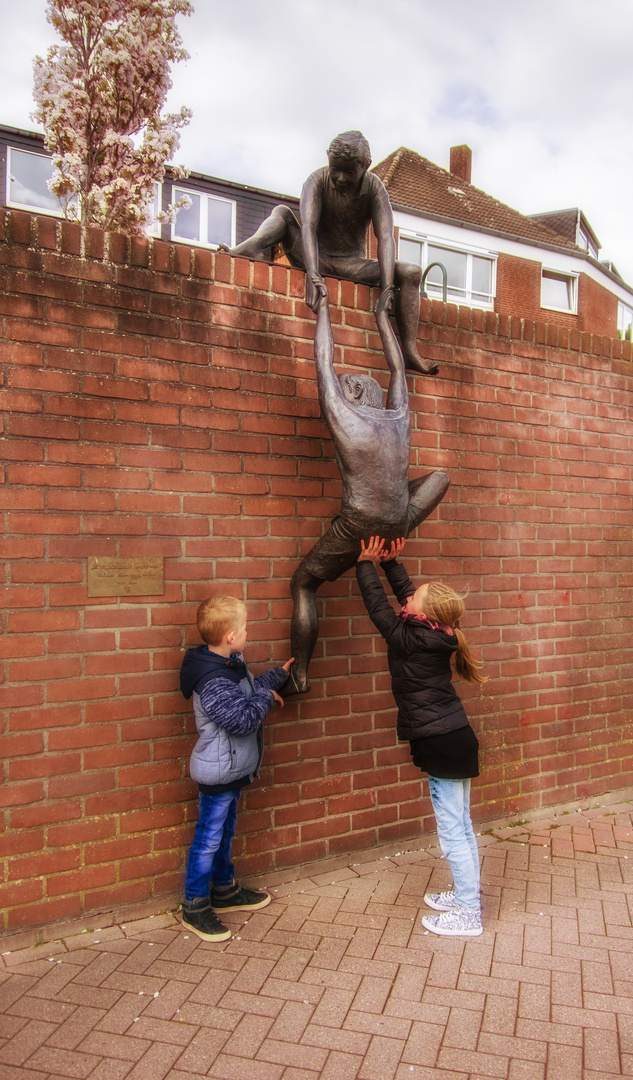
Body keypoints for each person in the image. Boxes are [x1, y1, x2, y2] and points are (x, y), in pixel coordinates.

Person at [285, 287, 449, 695]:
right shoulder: (397, 416)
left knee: (303, 583)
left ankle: (301, 670)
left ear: (354, 395)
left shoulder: (345, 416)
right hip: (398, 521)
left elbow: (324, 359)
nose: (340, 388)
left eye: (346, 386)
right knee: (440, 477)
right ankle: (396, 523)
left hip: (359, 523)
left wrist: (323, 307)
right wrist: (381, 317)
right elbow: (397, 370)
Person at [220, 130, 438, 375]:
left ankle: (408, 350)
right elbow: (309, 228)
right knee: (282, 213)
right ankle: (248, 248)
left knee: (412, 272)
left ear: (366, 166)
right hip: (315, 256)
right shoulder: (316, 181)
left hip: (353, 265)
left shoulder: (375, 188)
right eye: (336, 169)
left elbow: (386, 237)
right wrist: (313, 275)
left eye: (349, 172)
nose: (341, 178)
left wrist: (387, 289)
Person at [355, 536, 488, 937]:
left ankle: (469, 911)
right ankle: (466, 894)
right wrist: (392, 564)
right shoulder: (437, 631)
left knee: (452, 829)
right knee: (460, 824)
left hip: (442, 742)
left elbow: (378, 608)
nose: (407, 599)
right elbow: (405, 596)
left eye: (414, 598)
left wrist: (365, 563)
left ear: (422, 613)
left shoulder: (410, 638)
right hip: (453, 737)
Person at [179, 594, 293, 941]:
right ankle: (195, 905)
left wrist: (275, 678)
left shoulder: (230, 664)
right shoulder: (213, 679)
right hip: (217, 773)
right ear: (230, 636)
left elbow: (247, 692)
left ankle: (225, 891)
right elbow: (241, 719)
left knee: (224, 833)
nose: (247, 633)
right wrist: (265, 698)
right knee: (209, 838)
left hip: (230, 771)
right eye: (244, 628)